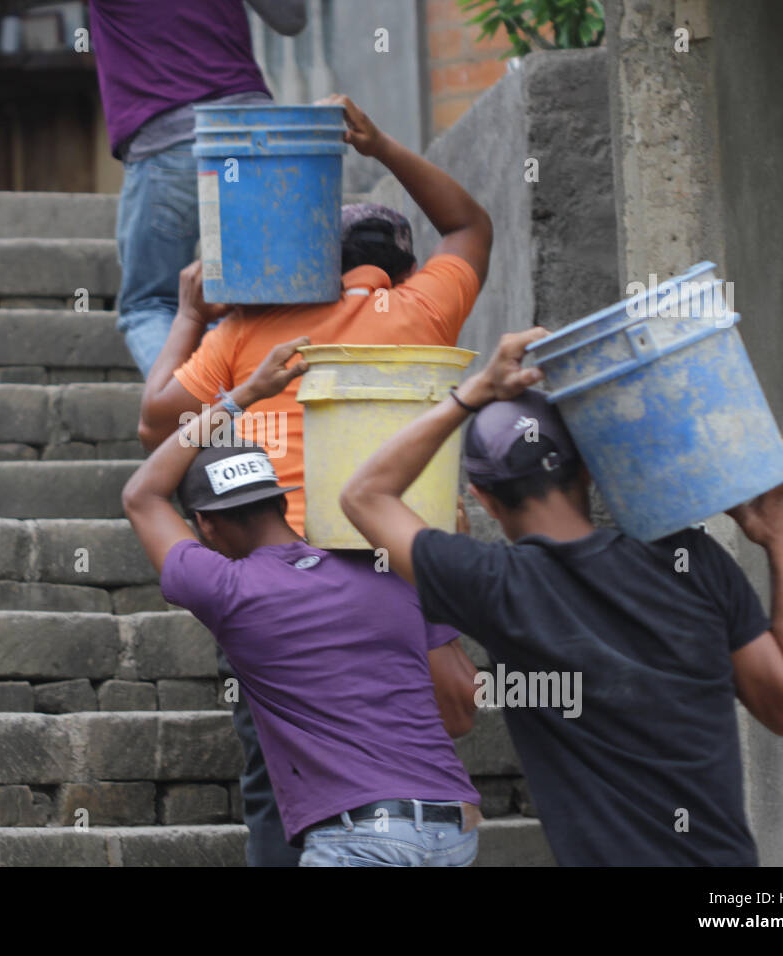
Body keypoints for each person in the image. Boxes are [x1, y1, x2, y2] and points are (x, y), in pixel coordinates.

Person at [339, 327, 783, 865]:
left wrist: (471, 392)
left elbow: (364, 495)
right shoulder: (691, 560)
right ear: (589, 468)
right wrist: (780, 539)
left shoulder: (493, 584)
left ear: (482, 499)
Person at [121, 340, 484, 867]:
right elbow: (460, 710)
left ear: (205, 525)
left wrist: (243, 395)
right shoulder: (381, 568)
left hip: (357, 841)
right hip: (453, 828)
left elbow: (142, 495)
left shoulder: (226, 590)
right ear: (282, 500)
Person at [138, 95, 494, 542]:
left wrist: (189, 316)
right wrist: (380, 145)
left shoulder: (248, 329)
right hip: (405, 544)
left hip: (290, 551)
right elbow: (468, 226)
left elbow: (156, 428)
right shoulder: (422, 309)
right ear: (406, 275)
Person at [87, 0, 307, 374]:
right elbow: (291, 18)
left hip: (170, 139)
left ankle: (188, 411)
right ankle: (237, 412)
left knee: (149, 305)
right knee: (247, 300)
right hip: (252, 136)